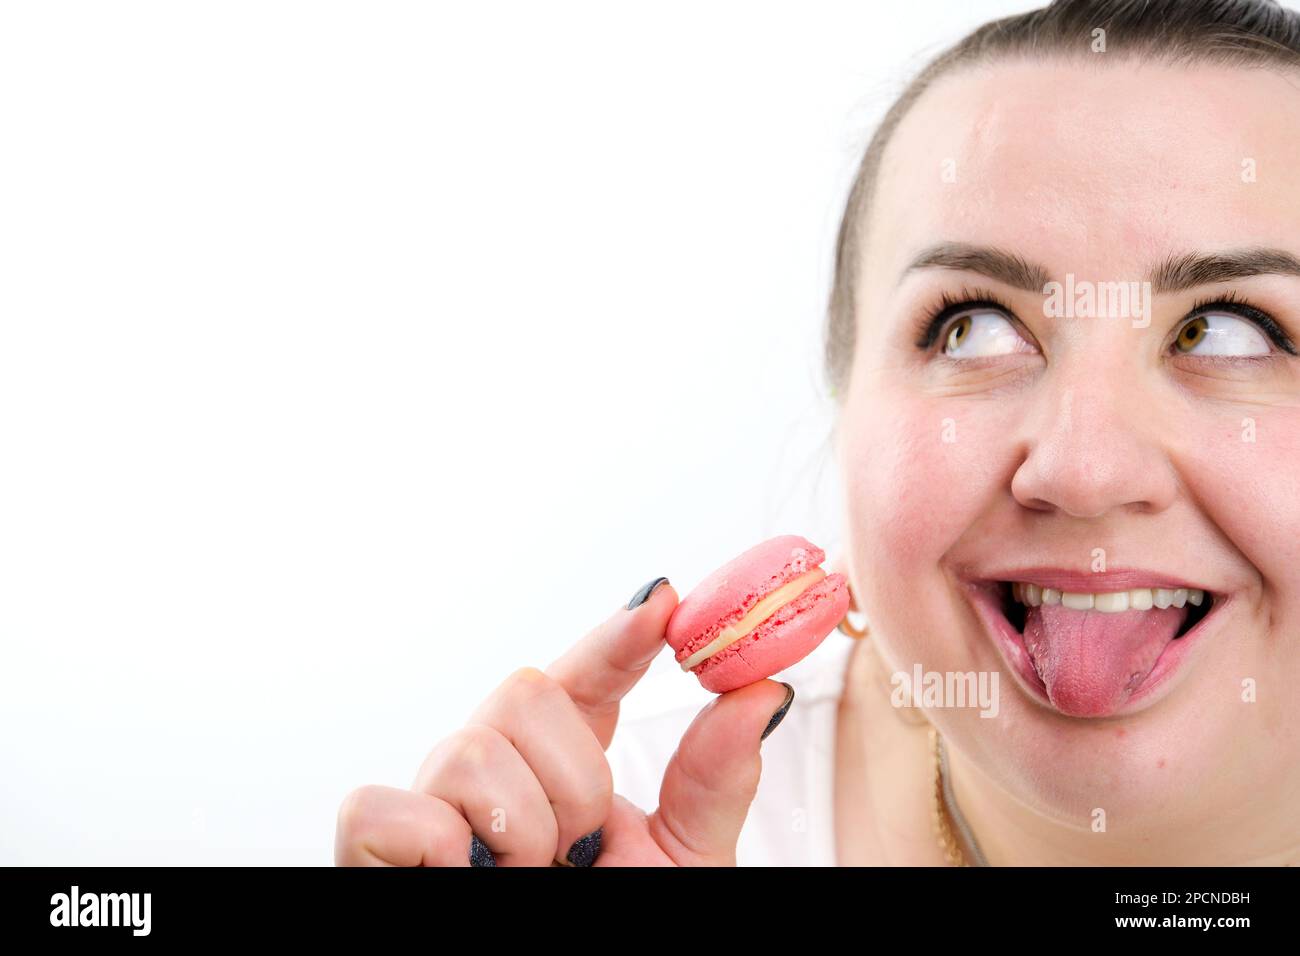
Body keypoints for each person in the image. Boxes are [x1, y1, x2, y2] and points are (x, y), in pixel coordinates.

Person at [335, 0, 1300, 866]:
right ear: (847, 401)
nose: (1085, 470)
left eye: (1231, 331)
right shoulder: (623, 815)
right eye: (975, 329)